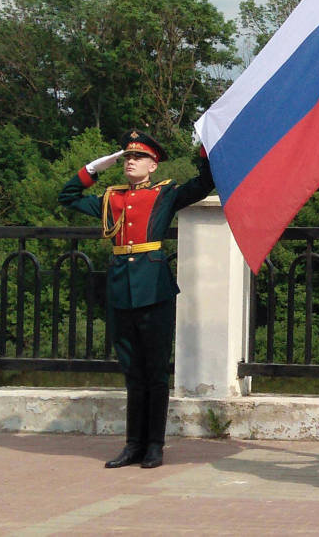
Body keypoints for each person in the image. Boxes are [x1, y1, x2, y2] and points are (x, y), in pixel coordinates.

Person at [59, 130, 214, 469]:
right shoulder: (111, 198)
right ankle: (133, 444)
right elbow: (67, 196)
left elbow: (204, 184)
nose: (130, 161)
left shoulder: (165, 195)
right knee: (132, 372)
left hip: (153, 289)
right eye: (127, 157)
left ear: (153, 165)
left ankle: (155, 445)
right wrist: (92, 169)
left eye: (138, 157)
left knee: (155, 372)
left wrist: (206, 145)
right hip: (120, 290)